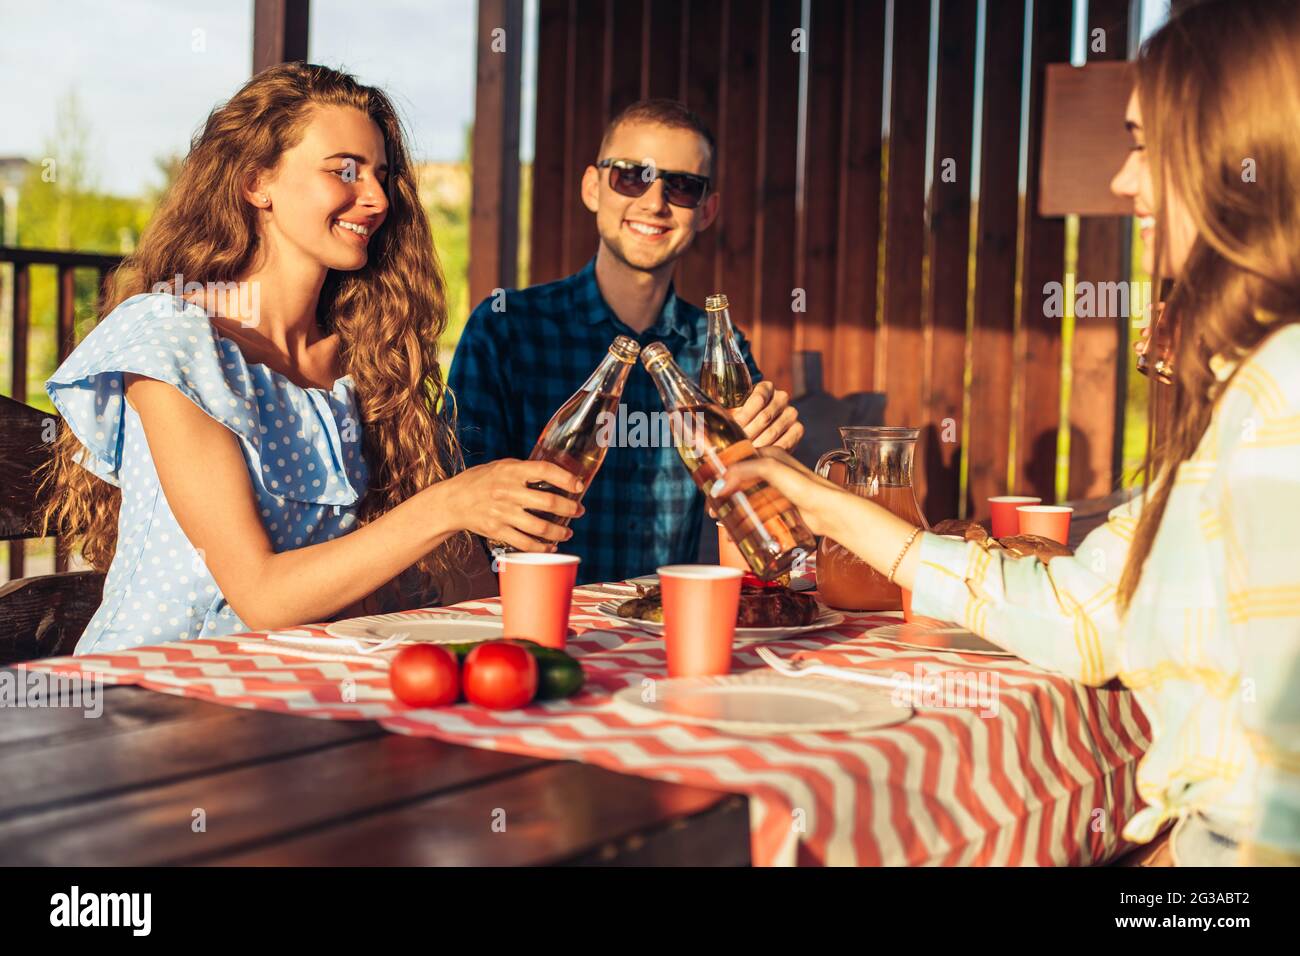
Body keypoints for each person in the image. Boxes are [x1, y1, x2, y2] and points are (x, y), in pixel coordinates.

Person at [714, 0, 1300, 866]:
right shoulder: (1245, 389)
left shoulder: (1280, 390)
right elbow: (1093, 614)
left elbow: (1278, 798)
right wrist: (826, 507)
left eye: (1146, 143)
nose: (1122, 182)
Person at [40, 63, 582, 654]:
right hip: (149, 697)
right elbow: (263, 596)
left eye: (381, 174)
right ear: (257, 183)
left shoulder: (363, 358)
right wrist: (454, 504)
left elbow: (371, 582)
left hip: (300, 689)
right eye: (344, 170)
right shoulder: (171, 341)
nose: (375, 198)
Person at [449, 99, 803, 584]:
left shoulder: (719, 347)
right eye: (633, 176)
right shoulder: (505, 327)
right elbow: (458, 508)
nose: (655, 202)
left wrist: (769, 456)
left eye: (682, 186)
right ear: (593, 187)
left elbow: (752, 510)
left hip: (666, 626)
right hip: (534, 623)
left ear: (706, 210)